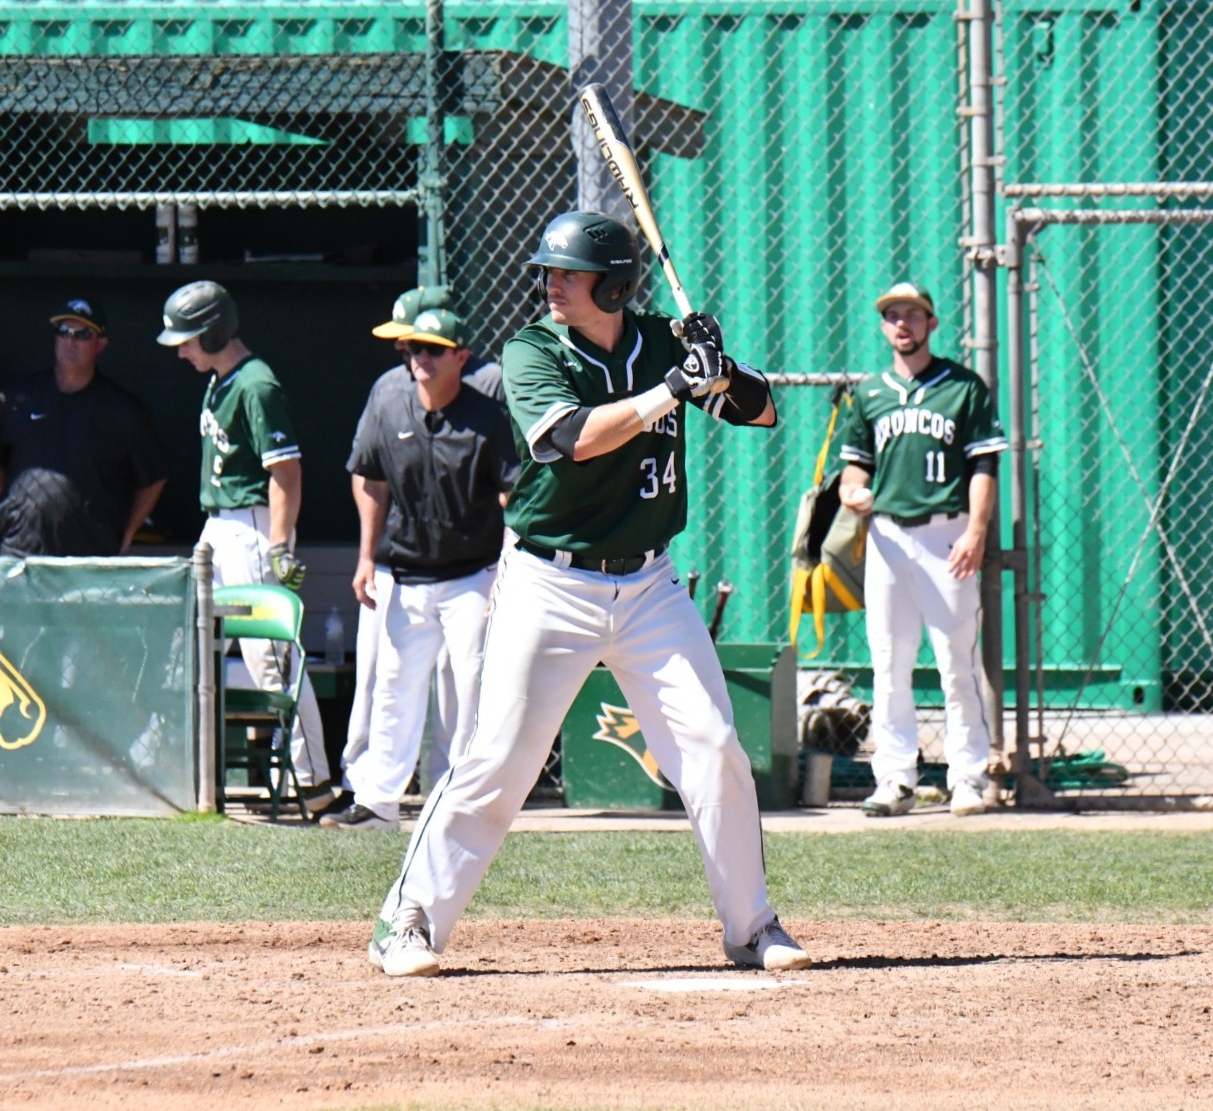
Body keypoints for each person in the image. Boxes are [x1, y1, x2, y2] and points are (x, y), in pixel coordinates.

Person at [367, 210, 809, 977]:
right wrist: (675, 386)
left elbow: (763, 412)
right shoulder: (532, 349)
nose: (550, 284)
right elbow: (575, 438)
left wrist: (720, 368)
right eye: (549, 271)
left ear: (611, 284)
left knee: (713, 748)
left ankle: (752, 924)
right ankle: (408, 921)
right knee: (498, 759)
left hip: (650, 585)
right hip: (550, 582)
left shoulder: (662, 343)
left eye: (567, 274)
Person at [324, 308, 519, 831]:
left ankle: (458, 802)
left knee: (470, 688)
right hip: (406, 574)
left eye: (432, 349)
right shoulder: (391, 408)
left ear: (460, 356)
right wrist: (366, 557)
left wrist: (508, 567)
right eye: (412, 349)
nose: (420, 359)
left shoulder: (489, 416)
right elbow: (369, 478)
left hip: (474, 575)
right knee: (393, 687)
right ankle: (378, 802)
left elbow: (511, 495)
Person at [156, 280, 334, 811]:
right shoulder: (218, 381)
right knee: (193, 647)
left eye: (188, 339)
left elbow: (286, 471)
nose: (182, 351)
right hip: (218, 523)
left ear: (213, 331)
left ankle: (315, 781)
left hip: (253, 524)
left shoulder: (257, 384)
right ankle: (198, 775)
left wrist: (281, 544)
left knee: (272, 659)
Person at [836, 281, 1005, 818]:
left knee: (957, 663)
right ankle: (895, 779)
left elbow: (984, 465)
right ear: (884, 326)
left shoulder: (963, 387)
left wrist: (977, 532)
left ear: (932, 323)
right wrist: (849, 489)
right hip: (887, 535)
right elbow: (856, 464)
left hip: (946, 533)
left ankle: (970, 778)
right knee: (889, 663)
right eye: (892, 315)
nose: (901, 323)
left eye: (912, 314)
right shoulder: (869, 392)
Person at [0, 298, 167, 556]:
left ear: (101, 344)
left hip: (91, 556)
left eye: (82, 335)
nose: (70, 341)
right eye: (63, 332)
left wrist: (128, 533)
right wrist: (9, 508)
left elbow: (154, 479)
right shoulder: (19, 398)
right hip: (21, 549)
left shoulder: (122, 409)